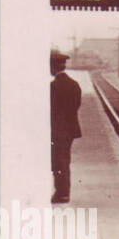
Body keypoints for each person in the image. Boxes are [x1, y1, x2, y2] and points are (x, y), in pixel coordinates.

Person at [50, 49, 82, 204]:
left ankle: (62, 193)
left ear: (53, 67)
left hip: (57, 130)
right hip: (69, 129)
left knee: (58, 162)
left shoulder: (53, 87)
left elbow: (52, 110)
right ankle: (63, 192)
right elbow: (75, 106)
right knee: (64, 160)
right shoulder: (74, 84)